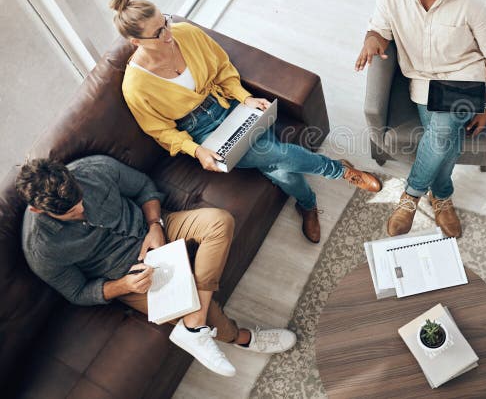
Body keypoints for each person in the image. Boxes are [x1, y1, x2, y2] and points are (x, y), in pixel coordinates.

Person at [111, 0, 382, 244]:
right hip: (202, 132)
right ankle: (339, 173)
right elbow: (161, 131)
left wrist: (245, 98)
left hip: (228, 104)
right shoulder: (135, 86)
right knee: (272, 156)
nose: (168, 33)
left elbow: (222, 68)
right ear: (136, 42)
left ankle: (309, 202)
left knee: (275, 162)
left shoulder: (186, 34)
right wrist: (197, 151)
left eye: (166, 22)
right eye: (158, 33)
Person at [17, 155, 293, 377]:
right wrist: (123, 286)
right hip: (131, 276)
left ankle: (192, 328)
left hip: (156, 228)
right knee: (200, 306)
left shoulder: (93, 168)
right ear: (38, 210)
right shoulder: (40, 248)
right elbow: (77, 292)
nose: (82, 211)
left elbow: (143, 188)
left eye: (80, 202)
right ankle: (244, 338)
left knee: (219, 221)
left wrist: (154, 225)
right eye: (71, 213)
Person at [355, 0, 486, 238]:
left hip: (463, 78)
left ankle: (410, 197)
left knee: (440, 134)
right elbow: (378, 28)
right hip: (423, 82)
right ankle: (441, 195)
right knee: (445, 140)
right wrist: (371, 42)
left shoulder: (474, 2)